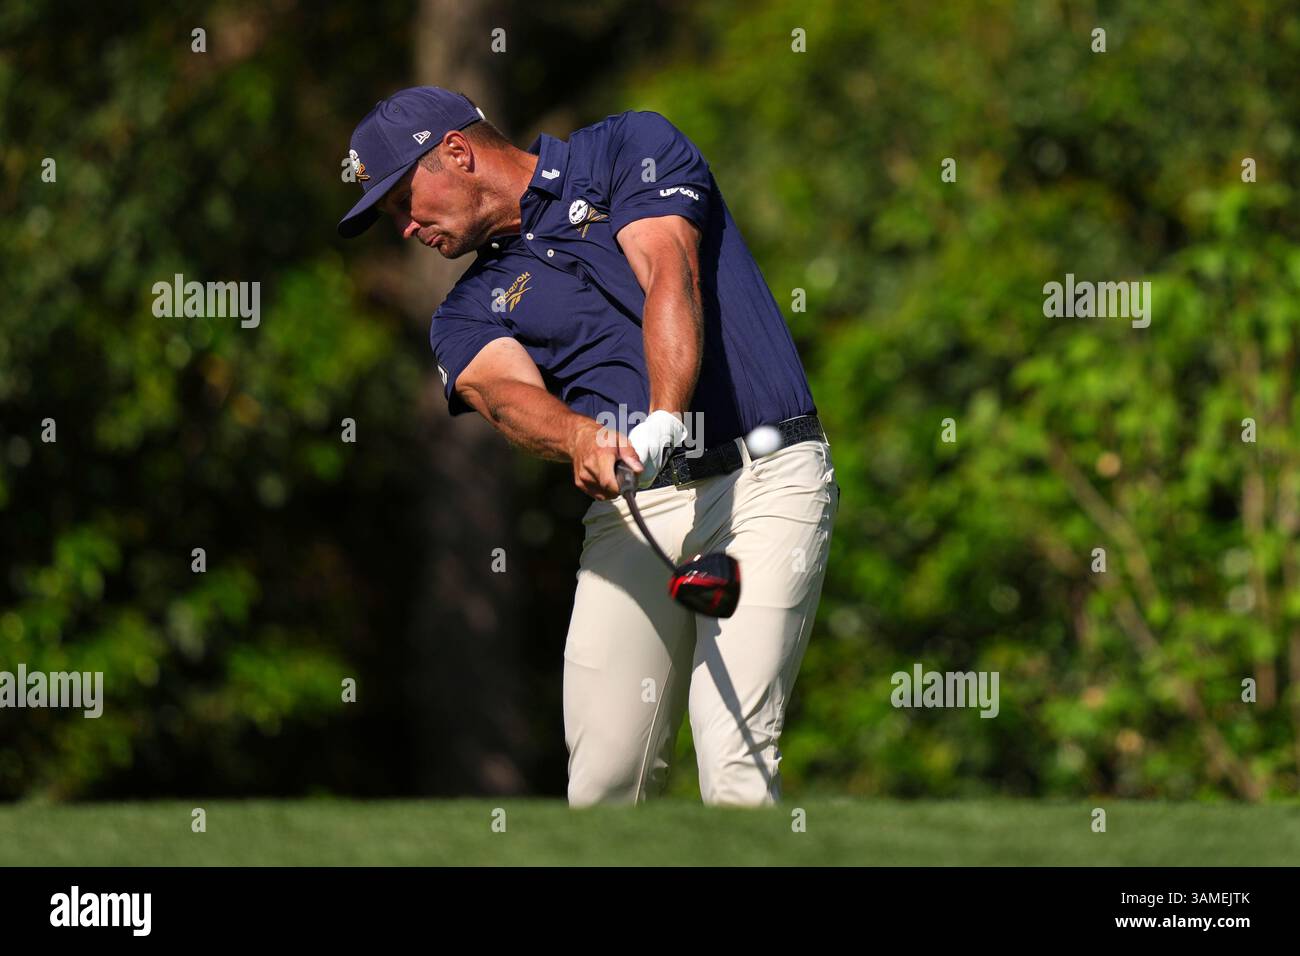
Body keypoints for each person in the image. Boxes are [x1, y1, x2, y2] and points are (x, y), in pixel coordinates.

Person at [339, 86, 839, 807]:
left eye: (402, 200)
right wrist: (577, 433)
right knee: (603, 784)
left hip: (766, 482)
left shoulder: (628, 148)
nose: (407, 229)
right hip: (636, 514)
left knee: (732, 752)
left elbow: (669, 270)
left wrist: (666, 416)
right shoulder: (463, 310)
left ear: (455, 150)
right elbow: (507, 396)